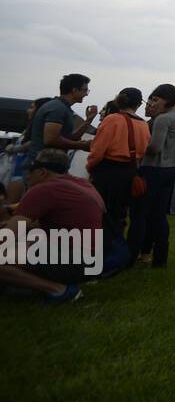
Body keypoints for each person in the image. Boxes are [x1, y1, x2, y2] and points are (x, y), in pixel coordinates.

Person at [0, 149, 105, 303]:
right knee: (25, 243)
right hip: (93, 261)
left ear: (42, 172)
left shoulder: (43, 189)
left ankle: (59, 290)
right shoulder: (83, 184)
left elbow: (7, 236)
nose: (27, 176)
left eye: (31, 171)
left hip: (74, 260)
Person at [130, 83, 175, 267]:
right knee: (159, 215)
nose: (152, 103)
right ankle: (159, 257)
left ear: (168, 100)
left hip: (153, 169)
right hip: (172, 170)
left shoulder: (163, 119)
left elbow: (154, 148)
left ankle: (131, 256)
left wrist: (134, 150)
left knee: (139, 215)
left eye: (156, 99)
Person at [86, 88, 151, 231]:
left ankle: (101, 248)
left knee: (101, 214)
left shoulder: (112, 119)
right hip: (130, 172)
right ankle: (116, 247)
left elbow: (97, 151)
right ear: (138, 104)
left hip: (107, 173)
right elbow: (144, 150)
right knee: (119, 216)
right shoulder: (144, 125)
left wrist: (90, 168)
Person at [29, 74, 98, 161]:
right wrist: (81, 145)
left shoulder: (62, 108)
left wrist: (88, 120)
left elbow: (68, 138)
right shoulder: (57, 108)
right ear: (74, 90)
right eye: (85, 90)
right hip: (43, 167)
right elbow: (51, 139)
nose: (86, 94)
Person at [4, 96, 52, 204]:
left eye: (32, 107)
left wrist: (14, 149)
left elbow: (33, 143)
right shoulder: (30, 128)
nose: (28, 110)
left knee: (14, 208)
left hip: (21, 174)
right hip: (15, 172)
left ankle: (20, 222)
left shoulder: (39, 130)